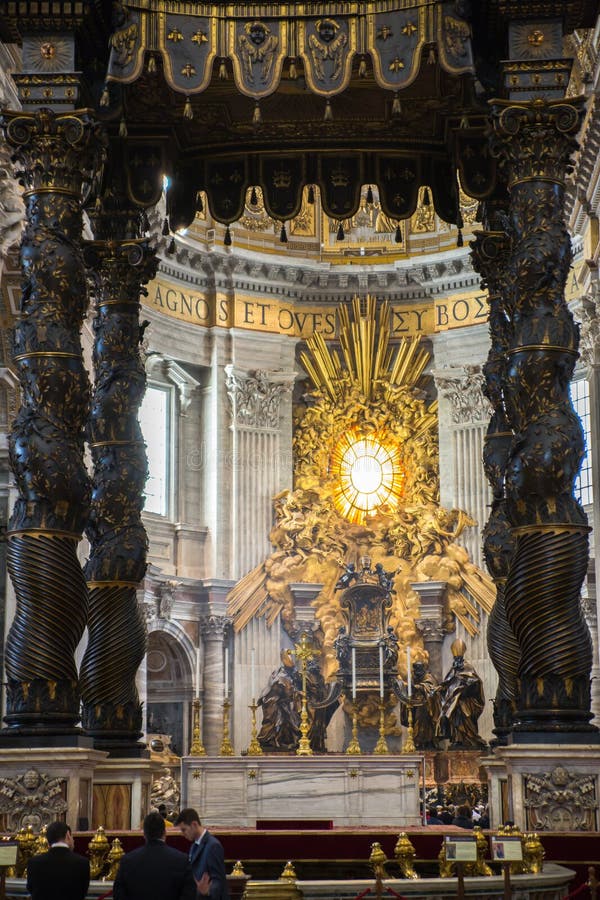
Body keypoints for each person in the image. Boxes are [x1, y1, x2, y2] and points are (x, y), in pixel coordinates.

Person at [113, 811, 196, 900]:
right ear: (164, 833)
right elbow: (189, 896)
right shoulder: (182, 860)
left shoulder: (127, 861)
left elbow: (118, 896)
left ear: (144, 834)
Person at [436, 639, 487, 750]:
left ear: (462, 657)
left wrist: (465, 686)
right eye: (455, 658)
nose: (456, 660)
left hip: (466, 701)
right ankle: (458, 739)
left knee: (466, 720)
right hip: (455, 702)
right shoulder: (453, 669)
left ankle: (469, 738)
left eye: (458, 658)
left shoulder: (468, 667)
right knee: (455, 719)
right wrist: (442, 688)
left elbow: (476, 682)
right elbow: (447, 683)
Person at [26, 820, 90, 900]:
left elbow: (30, 889)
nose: (73, 840)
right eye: (72, 837)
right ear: (67, 835)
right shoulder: (82, 863)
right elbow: (83, 892)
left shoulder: (34, 863)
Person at [175, 808, 229, 899]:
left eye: (184, 830)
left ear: (194, 824)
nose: (182, 834)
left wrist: (208, 891)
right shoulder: (194, 846)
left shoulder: (213, 846)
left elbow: (218, 880)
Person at [257, 648, 302, 751]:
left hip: (288, 704)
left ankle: (288, 742)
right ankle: (267, 740)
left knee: (292, 722)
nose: (290, 659)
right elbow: (275, 687)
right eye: (287, 657)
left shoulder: (296, 674)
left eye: (291, 657)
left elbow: (295, 688)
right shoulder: (278, 673)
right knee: (273, 721)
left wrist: (297, 693)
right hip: (274, 702)